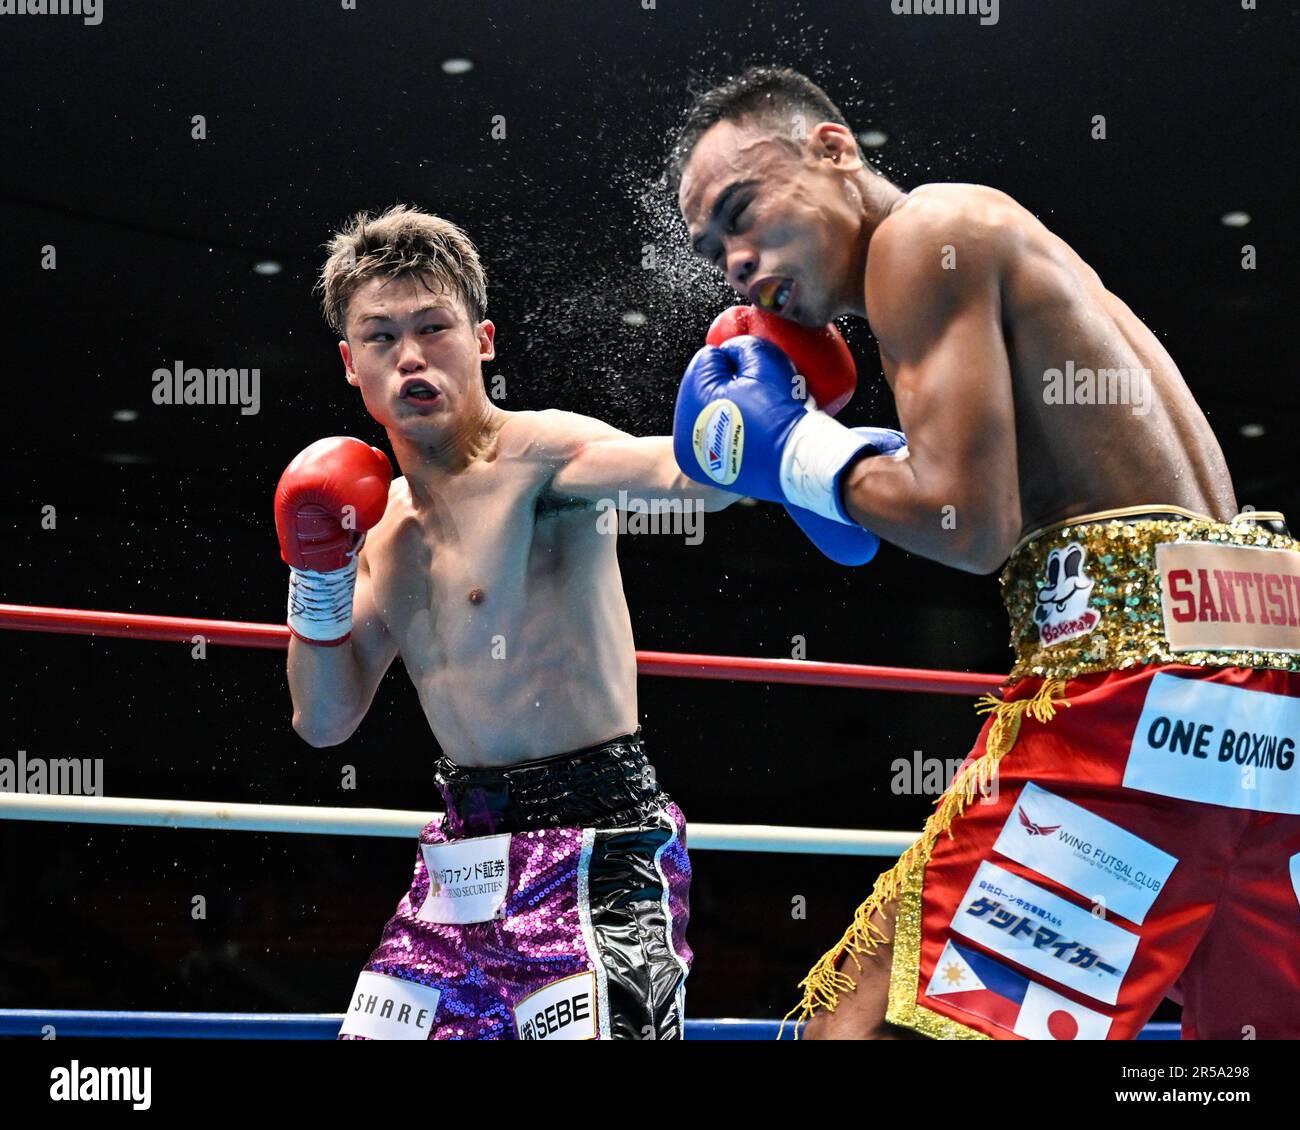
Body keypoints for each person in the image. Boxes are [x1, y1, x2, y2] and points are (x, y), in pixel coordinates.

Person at [667, 66, 1300, 1039]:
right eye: (714, 250)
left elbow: (968, 524)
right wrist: (848, 461)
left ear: (833, 149)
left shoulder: (920, 237)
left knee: (861, 1020)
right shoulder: (994, 242)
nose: (738, 261)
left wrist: (792, 451)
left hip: (1133, 695)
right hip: (1260, 701)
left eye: (744, 211)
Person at [275, 204, 736, 1040]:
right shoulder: (380, 531)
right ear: (350, 364)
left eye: (433, 328)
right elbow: (323, 718)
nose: (410, 355)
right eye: (381, 337)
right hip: (458, 863)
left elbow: (689, 480)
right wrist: (317, 575)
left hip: (597, 846)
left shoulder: (541, 457)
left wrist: (752, 403)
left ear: (482, 340)